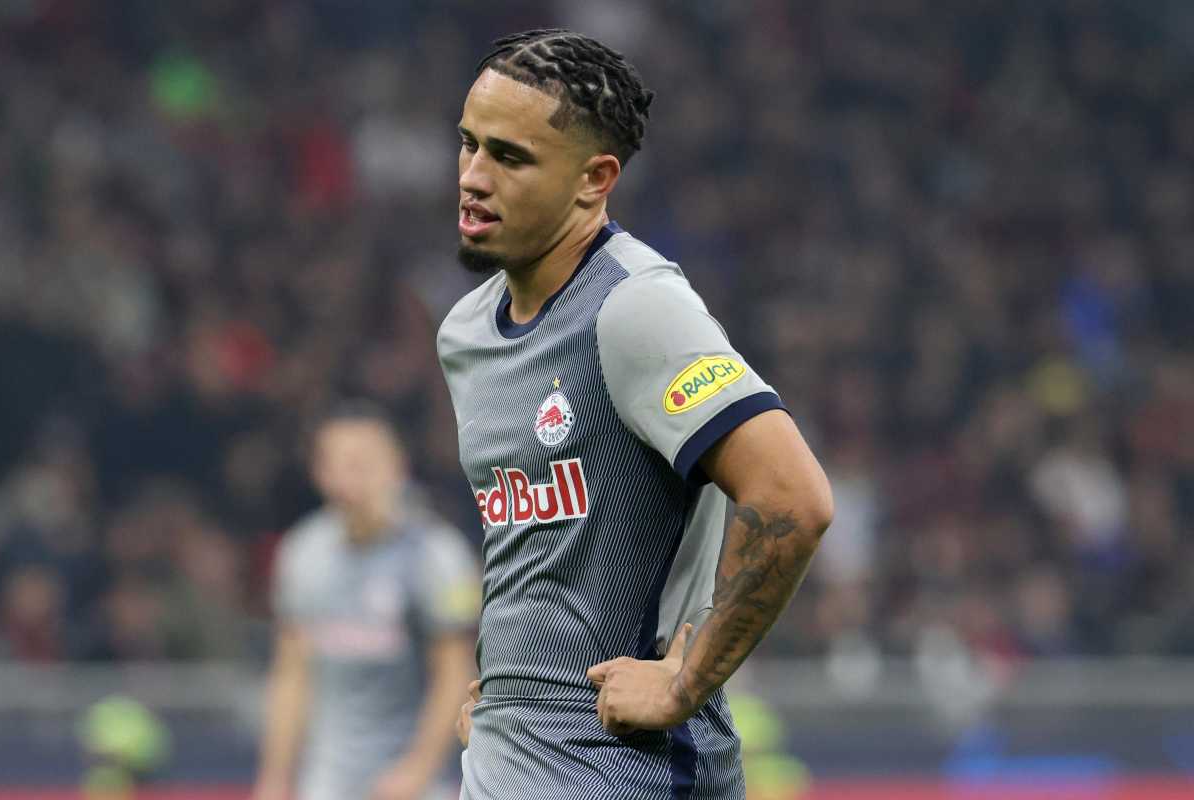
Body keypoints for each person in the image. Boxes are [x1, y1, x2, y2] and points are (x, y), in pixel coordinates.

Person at [437, 29, 834, 800]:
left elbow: (792, 496)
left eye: (510, 157)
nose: (473, 177)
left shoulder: (634, 308)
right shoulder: (466, 331)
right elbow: (543, 543)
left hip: (622, 771)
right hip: (512, 759)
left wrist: (685, 682)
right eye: (468, 144)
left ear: (595, 179)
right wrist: (511, 690)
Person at [253, 401, 480, 800]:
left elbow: (455, 673)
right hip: (326, 781)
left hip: (416, 785)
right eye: (337, 464)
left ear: (397, 466)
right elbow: (292, 674)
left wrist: (418, 769)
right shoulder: (302, 553)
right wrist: (274, 779)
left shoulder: (439, 556)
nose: (349, 477)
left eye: (362, 463)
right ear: (319, 472)